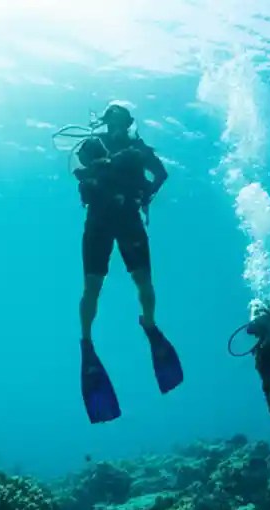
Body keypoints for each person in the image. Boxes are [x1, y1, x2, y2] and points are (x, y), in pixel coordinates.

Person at [71, 102, 182, 424]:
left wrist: (147, 193)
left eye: (122, 120)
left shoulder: (138, 149)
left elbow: (162, 173)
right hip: (99, 222)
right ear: (105, 122)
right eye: (113, 120)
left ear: (129, 122)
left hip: (127, 219)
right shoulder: (93, 145)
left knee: (143, 281)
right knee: (92, 287)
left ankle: (149, 324)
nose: (117, 125)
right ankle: (87, 341)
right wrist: (107, 168)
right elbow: (82, 168)